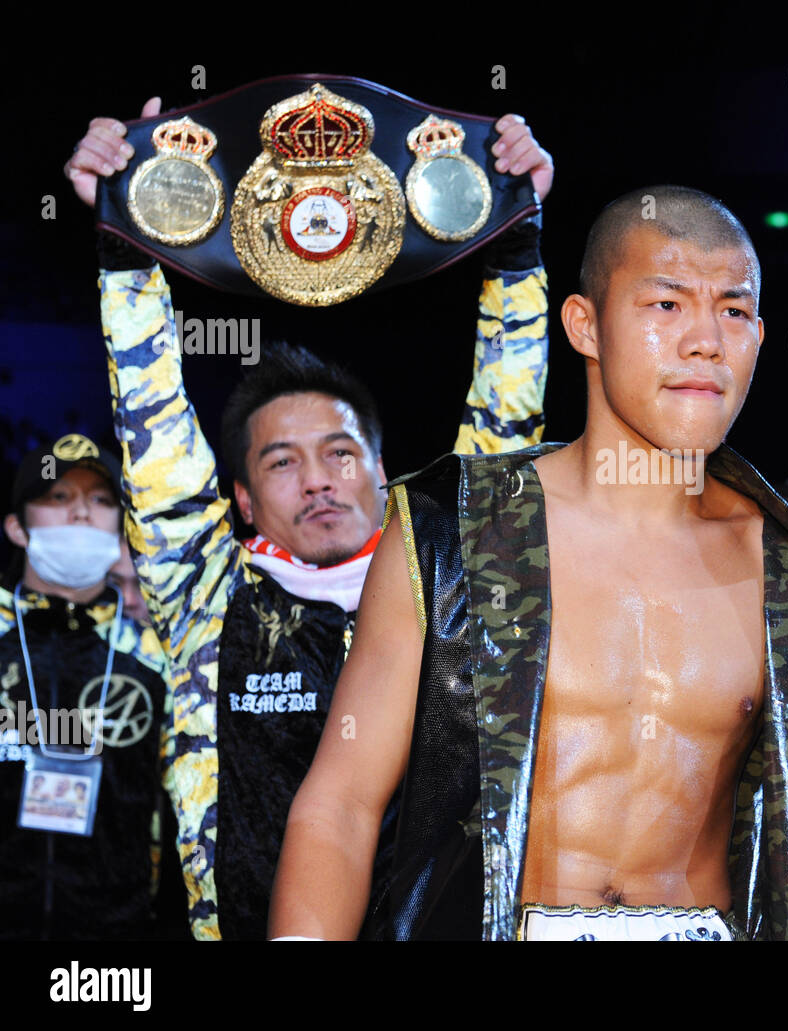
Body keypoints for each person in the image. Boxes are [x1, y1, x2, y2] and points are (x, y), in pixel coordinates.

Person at [269, 185, 788, 941]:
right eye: (667, 305)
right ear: (585, 326)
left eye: (734, 311)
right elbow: (341, 802)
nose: (706, 339)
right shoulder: (455, 532)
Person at [67, 101, 555, 940]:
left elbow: (503, 438)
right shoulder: (207, 600)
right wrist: (127, 239)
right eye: (282, 462)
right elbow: (151, 421)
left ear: (381, 469)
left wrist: (513, 238)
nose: (319, 481)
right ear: (243, 502)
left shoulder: (450, 578)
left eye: (339, 454)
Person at [0, 435, 173, 938]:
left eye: (100, 500)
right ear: (17, 527)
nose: (81, 513)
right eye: (59, 497)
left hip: (119, 934)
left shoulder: (158, 654)